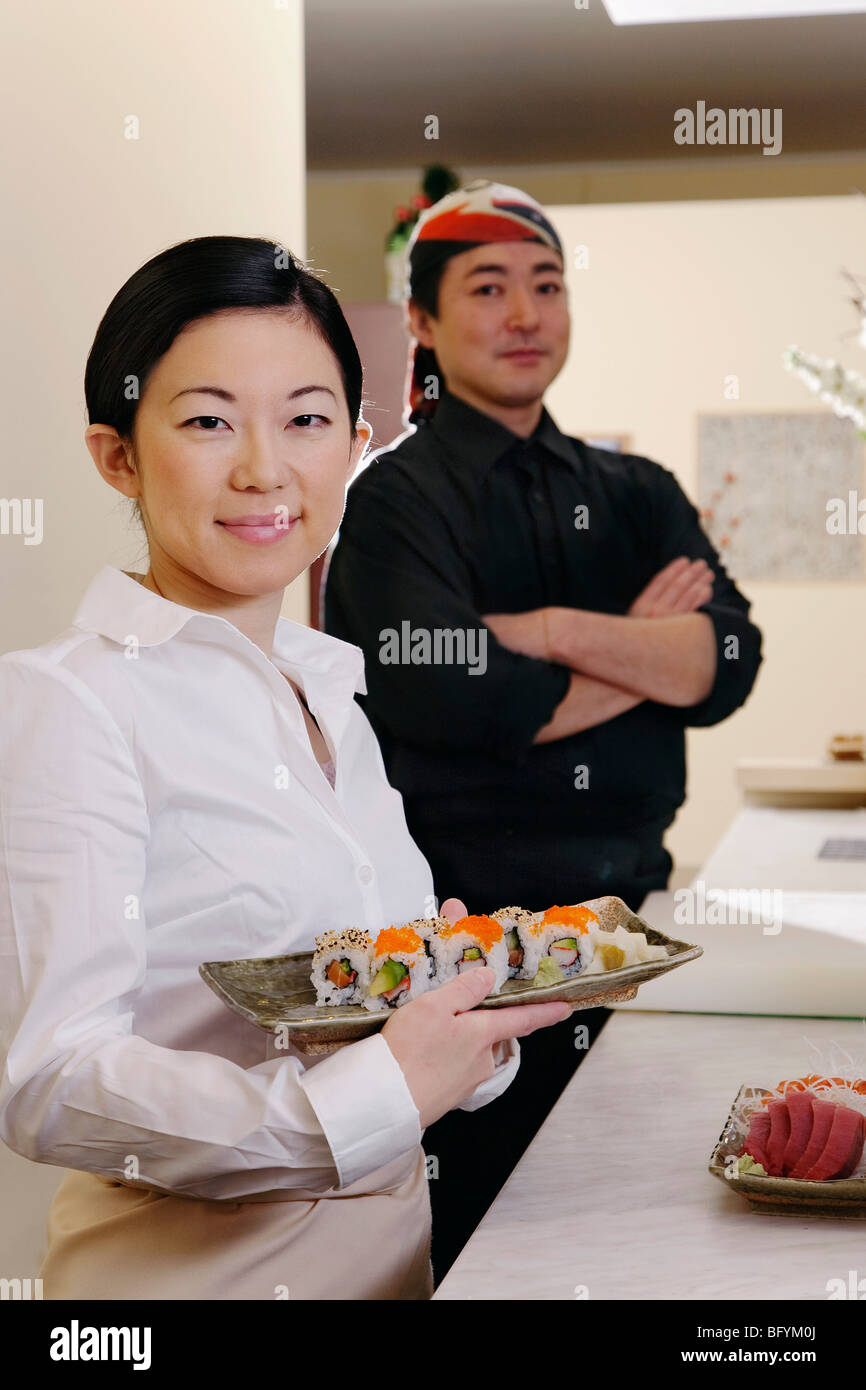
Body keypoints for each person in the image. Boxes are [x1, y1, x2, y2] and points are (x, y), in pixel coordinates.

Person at [0, 234, 573, 1301]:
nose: (264, 470)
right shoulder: (67, 700)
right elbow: (51, 1080)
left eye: (306, 420)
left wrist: (458, 1025)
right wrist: (380, 1092)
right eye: (208, 421)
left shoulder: (328, 691)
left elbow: (374, 1028)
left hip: (391, 1268)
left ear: (357, 445)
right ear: (118, 455)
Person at [323, 181, 764, 1278]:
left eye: (546, 284)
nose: (524, 314)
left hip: (637, 933)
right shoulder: (391, 501)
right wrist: (640, 651)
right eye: (487, 287)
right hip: (468, 963)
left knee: (655, 1241)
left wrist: (549, 634)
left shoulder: (637, 489)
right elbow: (451, 695)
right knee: (497, 1256)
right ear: (422, 319)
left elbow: (726, 663)